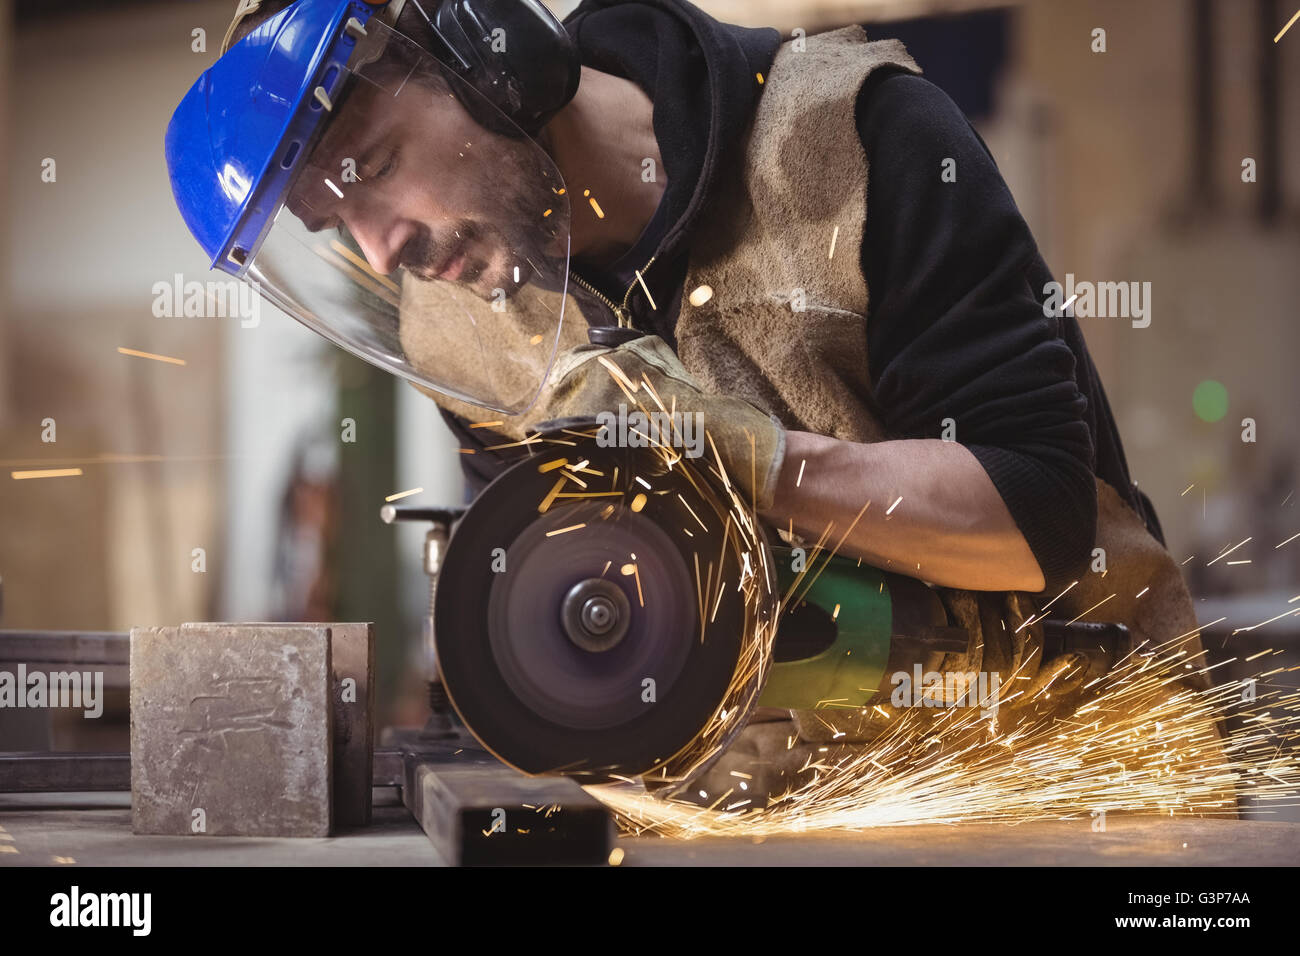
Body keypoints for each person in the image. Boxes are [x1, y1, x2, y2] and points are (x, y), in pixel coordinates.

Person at [168, 0, 1212, 792]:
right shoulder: (460, 330)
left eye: (377, 166)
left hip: (1065, 767)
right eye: (335, 226)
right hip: (783, 802)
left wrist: (748, 457)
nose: (384, 245)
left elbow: (1034, 513)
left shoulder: (858, 140)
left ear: (492, 57)